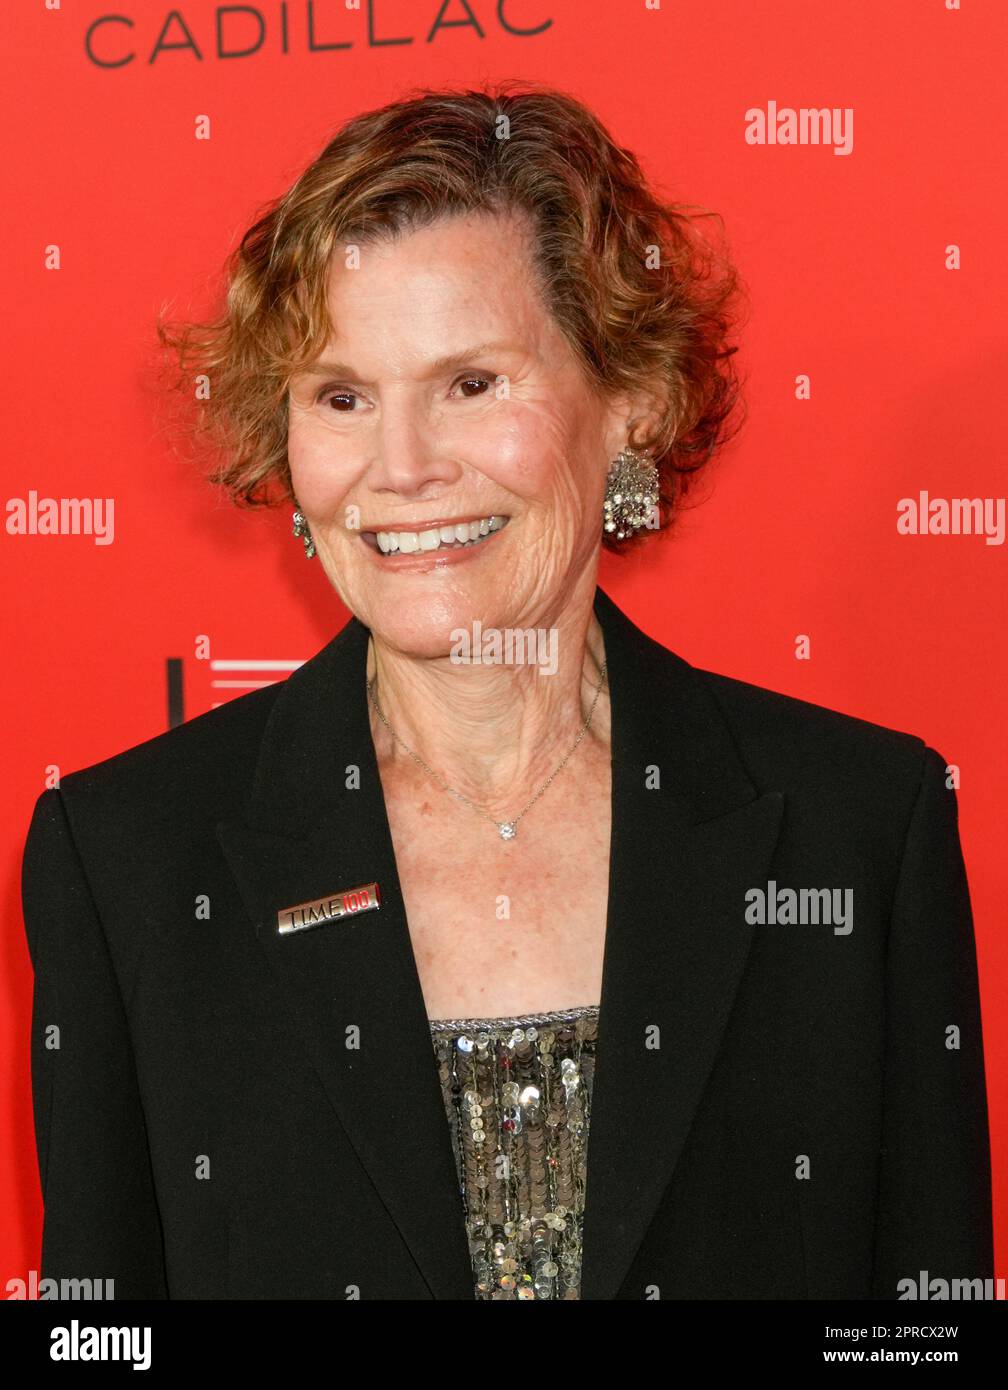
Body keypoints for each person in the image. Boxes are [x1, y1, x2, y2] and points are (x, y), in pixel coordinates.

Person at [22, 85, 992, 1300]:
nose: (405, 467)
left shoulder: (857, 828)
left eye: (472, 383)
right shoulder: (129, 863)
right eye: (342, 397)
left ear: (629, 395)